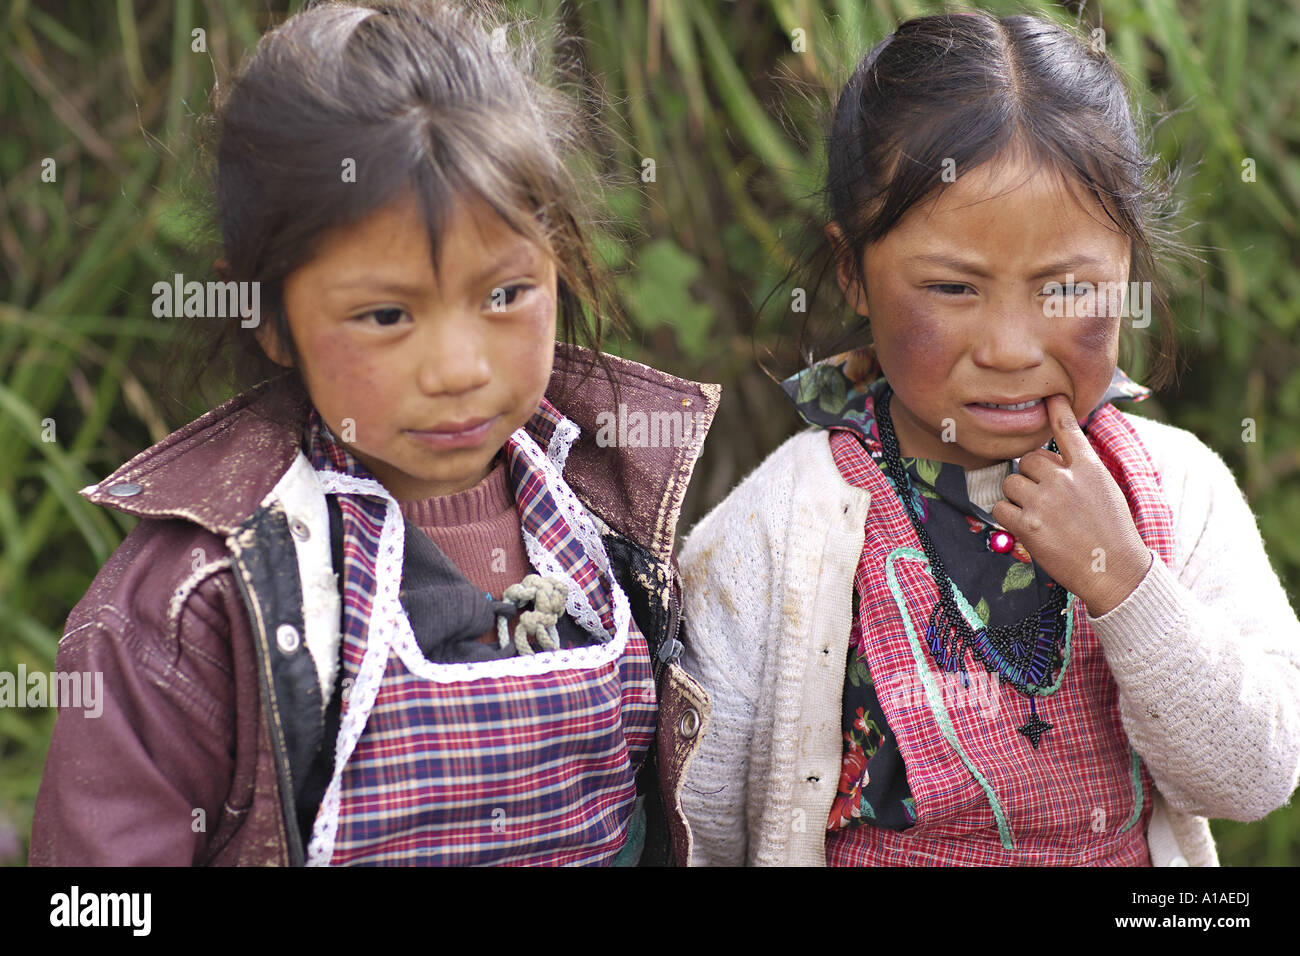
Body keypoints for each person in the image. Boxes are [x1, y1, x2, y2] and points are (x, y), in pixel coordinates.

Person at [29, 0, 717, 866]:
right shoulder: (196, 603)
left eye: (505, 295)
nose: (460, 367)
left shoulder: (612, 530)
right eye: (387, 314)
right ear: (270, 317)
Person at [677, 10, 1300, 866]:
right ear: (853, 270)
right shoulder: (779, 532)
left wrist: (1126, 582)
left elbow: (1255, 775)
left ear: (1127, 269)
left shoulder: (1178, 494)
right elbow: (699, 818)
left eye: (1066, 288)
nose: (1010, 348)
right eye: (953, 288)